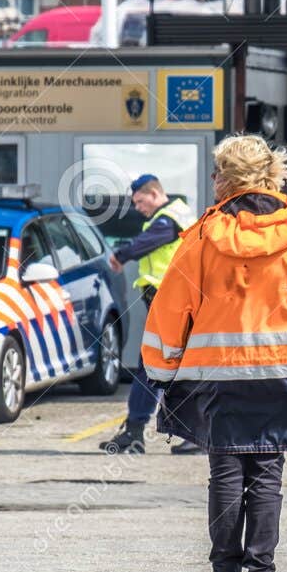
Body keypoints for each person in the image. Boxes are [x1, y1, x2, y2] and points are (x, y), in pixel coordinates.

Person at [143, 135, 287, 572]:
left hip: (218, 380)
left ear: (227, 180)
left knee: (224, 473)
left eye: (217, 172)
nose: (212, 179)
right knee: (266, 476)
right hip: (282, 376)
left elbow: (170, 310)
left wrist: (161, 370)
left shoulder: (201, 239)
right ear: (270, 175)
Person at [100, 175, 199, 455]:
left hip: (172, 303)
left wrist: (121, 255)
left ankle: (145, 431)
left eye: (140, 201)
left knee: (158, 366)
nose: (138, 207)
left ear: (154, 193)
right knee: (158, 366)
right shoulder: (174, 215)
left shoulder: (168, 220)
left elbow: (148, 242)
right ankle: (137, 430)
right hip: (169, 303)